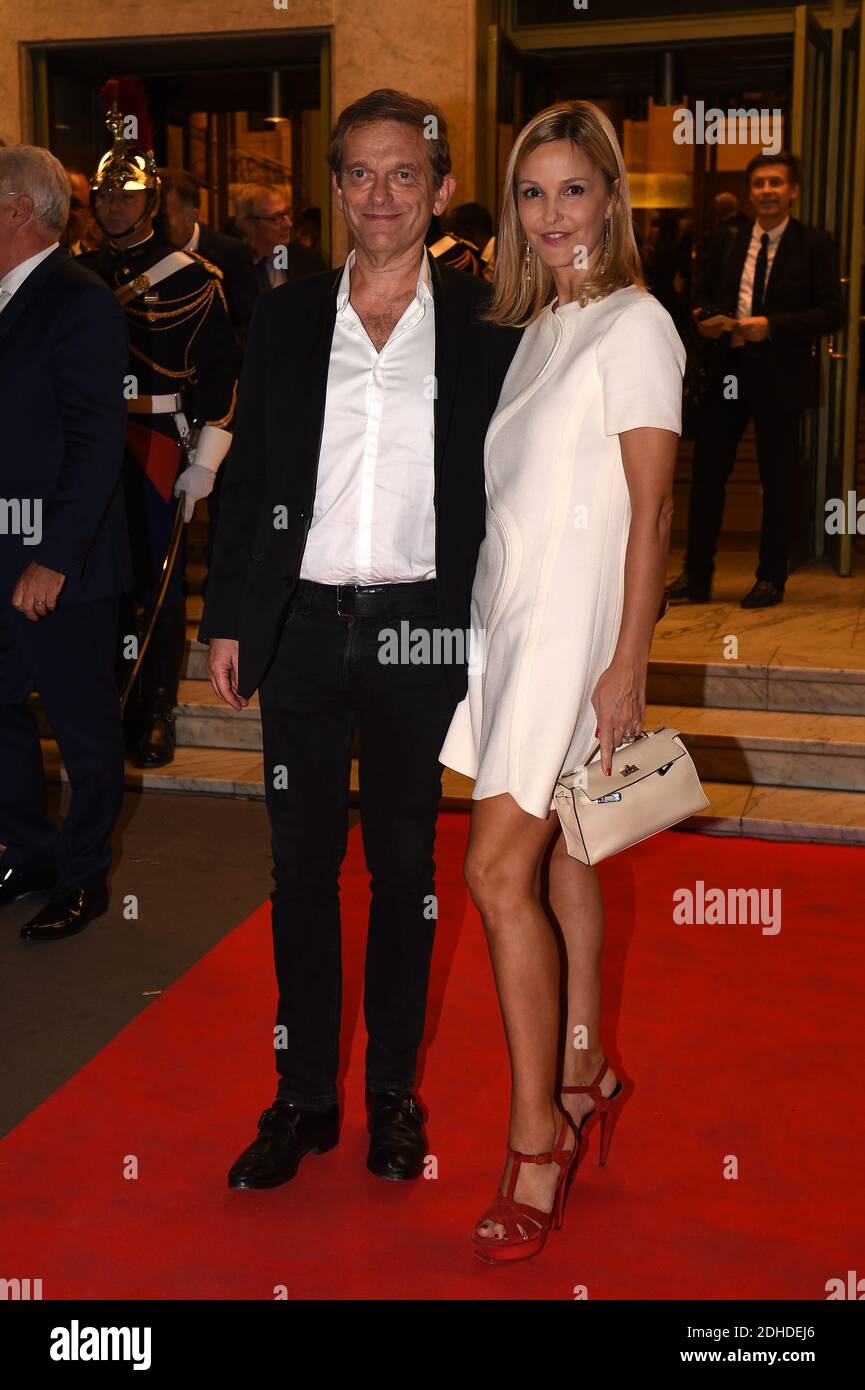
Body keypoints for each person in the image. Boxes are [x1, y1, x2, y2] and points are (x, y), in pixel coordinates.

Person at [200, 88, 520, 1191]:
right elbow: (252, 480)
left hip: (417, 636)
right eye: (360, 174)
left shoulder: (487, 320)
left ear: (435, 190)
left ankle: (392, 1093)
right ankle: (302, 1098)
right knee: (299, 872)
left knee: (400, 869)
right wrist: (229, 618)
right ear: (333, 191)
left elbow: (511, 489)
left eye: (404, 174)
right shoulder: (286, 316)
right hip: (298, 631)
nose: (381, 194)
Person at [438, 99, 685, 1262]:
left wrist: (623, 662)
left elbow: (652, 514)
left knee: (496, 872)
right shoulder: (542, 327)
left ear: (609, 200)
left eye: (571, 190)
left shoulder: (635, 324)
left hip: (570, 642)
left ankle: (537, 1133)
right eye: (529, 193)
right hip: (510, 625)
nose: (548, 214)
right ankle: (585, 1063)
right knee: (570, 851)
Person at [81, 105, 239, 767]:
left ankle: (153, 712)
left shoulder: (194, 278)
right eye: (106, 193)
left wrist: (204, 462)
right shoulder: (75, 273)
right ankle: (102, 709)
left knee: (157, 586)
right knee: (95, 584)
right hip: (88, 447)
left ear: (153, 200)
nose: (116, 204)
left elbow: (223, 381)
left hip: (156, 445)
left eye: (129, 193)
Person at [0, 146, 131, 940]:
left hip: (60, 567)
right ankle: (34, 850)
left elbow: (96, 439)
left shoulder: (79, 300)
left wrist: (53, 554)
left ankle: (83, 879)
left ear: (16, 208)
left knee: (84, 731)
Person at [669, 152, 844, 607]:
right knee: (707, 475)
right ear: (750, 192)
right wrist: (702, 319)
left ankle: (770, 577)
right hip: (727, 371)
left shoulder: (816, 243)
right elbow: (702, 296)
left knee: (777, 479)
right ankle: (697, 575)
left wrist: (774, 326)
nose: (767, 191)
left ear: (793, 191)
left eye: (776, 183)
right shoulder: (728, 238)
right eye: (760, 183)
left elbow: (832, 312)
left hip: (780, 374)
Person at [156, 168, 258, 342]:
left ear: (191, 217)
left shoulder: (230, 253)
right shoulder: (147, 251)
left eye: (163, 217)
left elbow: (248, 324)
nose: (154, 224)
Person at [234, 183, 325, 293]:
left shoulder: (309, 261)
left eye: (286, 213)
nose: (288, 224)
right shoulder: (229, 265)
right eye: (276, 218)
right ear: (250, 225)